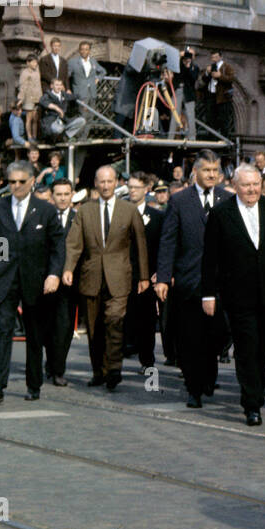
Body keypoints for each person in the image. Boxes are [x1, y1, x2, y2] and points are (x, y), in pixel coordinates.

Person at [201, 166, 265, 425]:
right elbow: (210, 259)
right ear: (235, 185)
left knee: (263, 347)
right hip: (237, 294)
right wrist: (208, 294)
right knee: (246, 348)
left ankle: (257, 390)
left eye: (256, 184)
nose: (252, 190)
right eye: (246, 185)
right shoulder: (221, 214)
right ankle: (251, 404)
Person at [0, 160, 64, 404]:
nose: (16, 186)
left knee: (35, 336)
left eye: (21, 182)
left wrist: (54, 273)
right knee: (1, 333)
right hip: (3, 281)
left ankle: (34, 384)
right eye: (11, 182)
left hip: (35, 282)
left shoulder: (45, 211)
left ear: (32, 182)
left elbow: (58, 246)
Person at [62, 164, 149, 392]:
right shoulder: (84, 211)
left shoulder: (129, 210)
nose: (106, 186)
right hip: (91, 277)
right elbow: (74, 243)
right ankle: (98, 372)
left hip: (119, 277)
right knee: (94, 328)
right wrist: (68, 268)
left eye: (110, 181)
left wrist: (144, 276)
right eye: (101, 182)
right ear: (96, 184)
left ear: (117, 182)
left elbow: (141, 244)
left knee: (114, 322)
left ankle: (114, 369)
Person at [156, 152, 225, 409]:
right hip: (188, 281)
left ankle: (209, 376)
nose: (211, 174)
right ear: (195, 172)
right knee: (190, 337)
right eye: (206, 170)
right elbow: (168, 241)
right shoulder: (179, 200)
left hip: (219, 284)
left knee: (215, 335)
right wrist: (163, 277)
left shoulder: (227, 199)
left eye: (215, 170)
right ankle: (193, 388)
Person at [122, 171, 164, 373]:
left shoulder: (156, 217)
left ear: (146, 189)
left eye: (136, 187)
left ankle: (147, 361)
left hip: (147, 275)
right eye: (129, 187)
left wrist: (157, 273)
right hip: (123, 274)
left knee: (146, 320)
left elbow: (160, 246)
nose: (132, 191)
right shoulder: (120, 213)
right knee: (120, 318)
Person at [46, 179, 79, 388]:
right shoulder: (44, 216)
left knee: (65, 327)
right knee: (48, 327)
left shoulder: (79, 219)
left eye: (66, 194)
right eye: (59, 194)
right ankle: (50, 363)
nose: (63, 198)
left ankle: (59, 369)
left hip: (70, 283)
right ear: (52, 196)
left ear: (72, 195)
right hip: (47, 280)